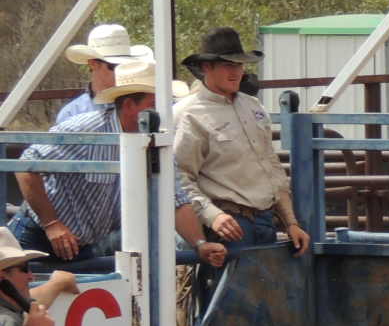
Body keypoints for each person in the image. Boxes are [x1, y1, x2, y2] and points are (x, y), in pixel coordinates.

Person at [11, 60, 228, 269]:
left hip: (81, 246)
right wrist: (52, 223)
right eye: (152, 105)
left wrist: (199, 244)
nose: (160, 114)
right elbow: (27, 166)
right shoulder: (88, 130)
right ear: (128, 104)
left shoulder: (155, 142)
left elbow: (175, 199)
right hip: (37, 238)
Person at [174, 27, 312, 258]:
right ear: (207, 67)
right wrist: (212, 215)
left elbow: (271, 167)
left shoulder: (253, 106)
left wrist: (291, 222)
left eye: (239, 65)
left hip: (264, 220)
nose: (236, 71)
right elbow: (179, 179)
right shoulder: (189, 114)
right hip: (228, 224)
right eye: (229, 65)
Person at [56, 23, 153, 123]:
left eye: (127, 66)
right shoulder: (72, 114)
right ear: (93, 64)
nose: (122, 71)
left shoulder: (142, 103)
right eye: (115, 66)